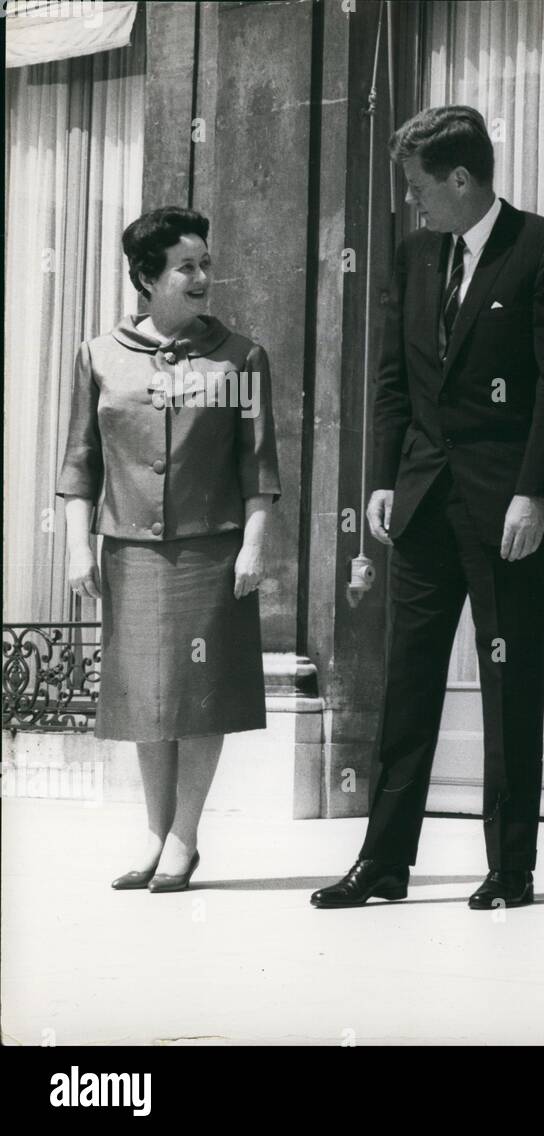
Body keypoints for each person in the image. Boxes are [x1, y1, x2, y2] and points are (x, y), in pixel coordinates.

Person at [311, 106, 544, 909]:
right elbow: (394, 375)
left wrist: (535, 492)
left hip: (507, 510)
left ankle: (510, 869)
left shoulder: (543, 249)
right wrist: (385, 476)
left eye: (419, 187)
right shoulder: (415, 255)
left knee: (508, 686)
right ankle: (384, 861)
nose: (412, 202)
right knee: (409, 683)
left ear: (461, 179)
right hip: (425, 502)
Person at [57, 206, 280, 893]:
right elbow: (78, 466)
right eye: (187, 266)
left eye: (206, 264)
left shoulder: (240, 357)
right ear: (147, 278)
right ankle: (154, 836)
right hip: (129, 551)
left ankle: (185, 838)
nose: (203, 277)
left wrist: (254, 547)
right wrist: (76, 548)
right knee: (147, 700)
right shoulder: (98, 356)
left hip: (211, 554)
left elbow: (259, 468)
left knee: (199, 697)